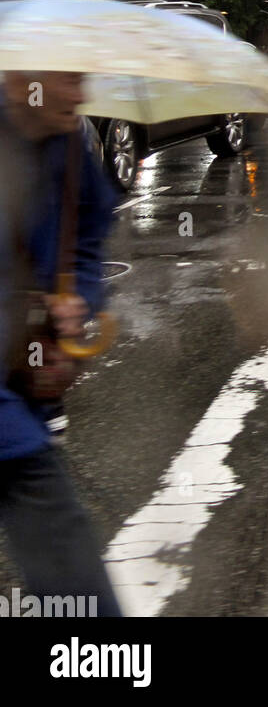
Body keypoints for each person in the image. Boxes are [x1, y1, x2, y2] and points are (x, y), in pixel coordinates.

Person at [0, 69, 121, 616]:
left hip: (23, 388)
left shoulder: (69, 143)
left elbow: (91, 238)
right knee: (58, 535)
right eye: (69, 79)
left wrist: (75, 302)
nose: (82, 93)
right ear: (20, 78)